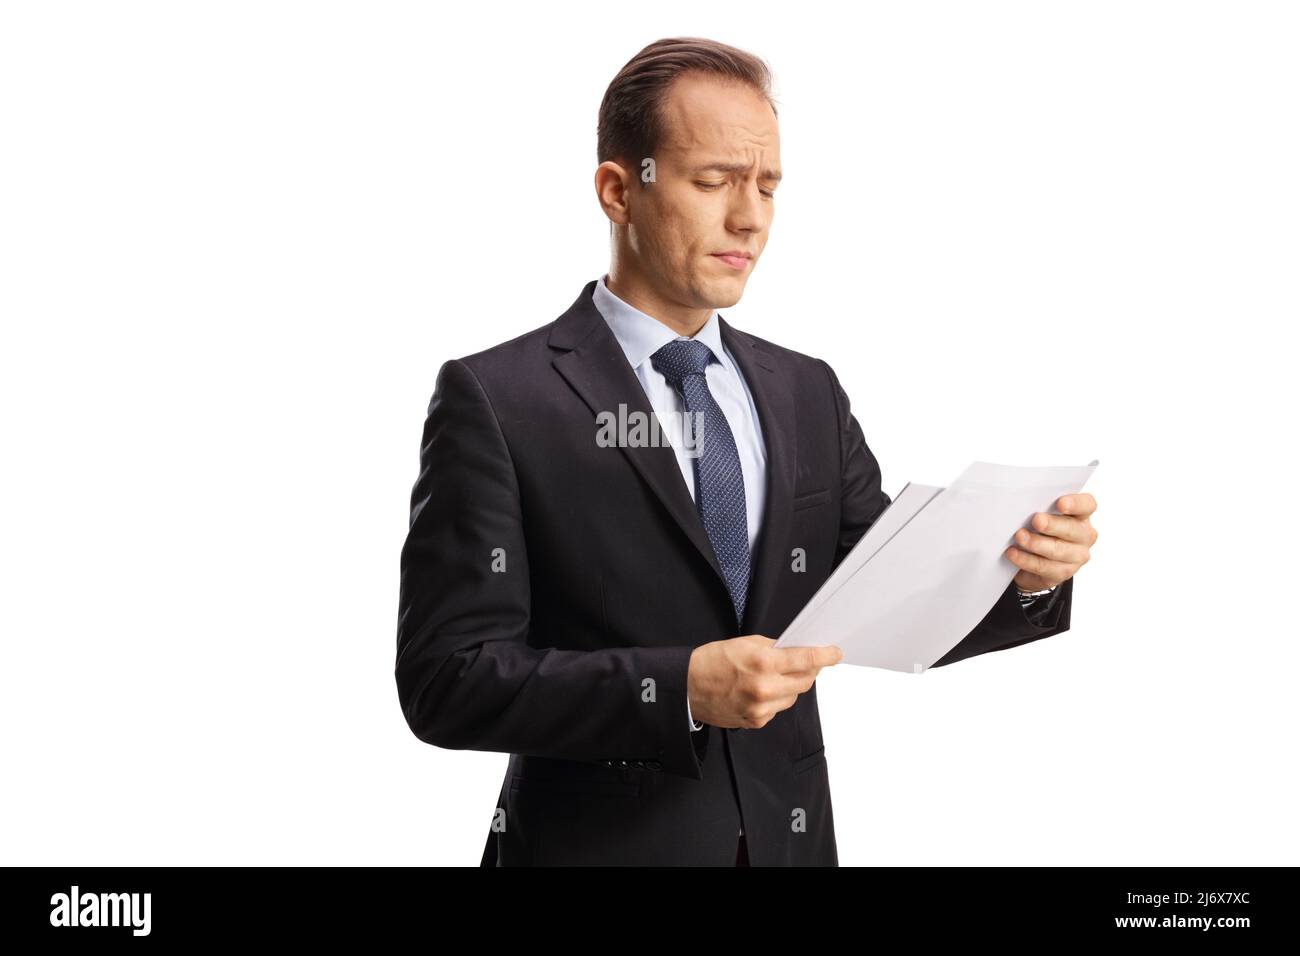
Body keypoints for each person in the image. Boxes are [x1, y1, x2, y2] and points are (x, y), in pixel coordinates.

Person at [395, 37, 1098, 866]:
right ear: (620, 190)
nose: (750, 217)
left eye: (766, 185)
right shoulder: (499, 399)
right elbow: (448, 680)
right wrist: (679, 688)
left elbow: (883, 591)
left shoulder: (806, 391)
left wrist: (1026, 573)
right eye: (713, 181)